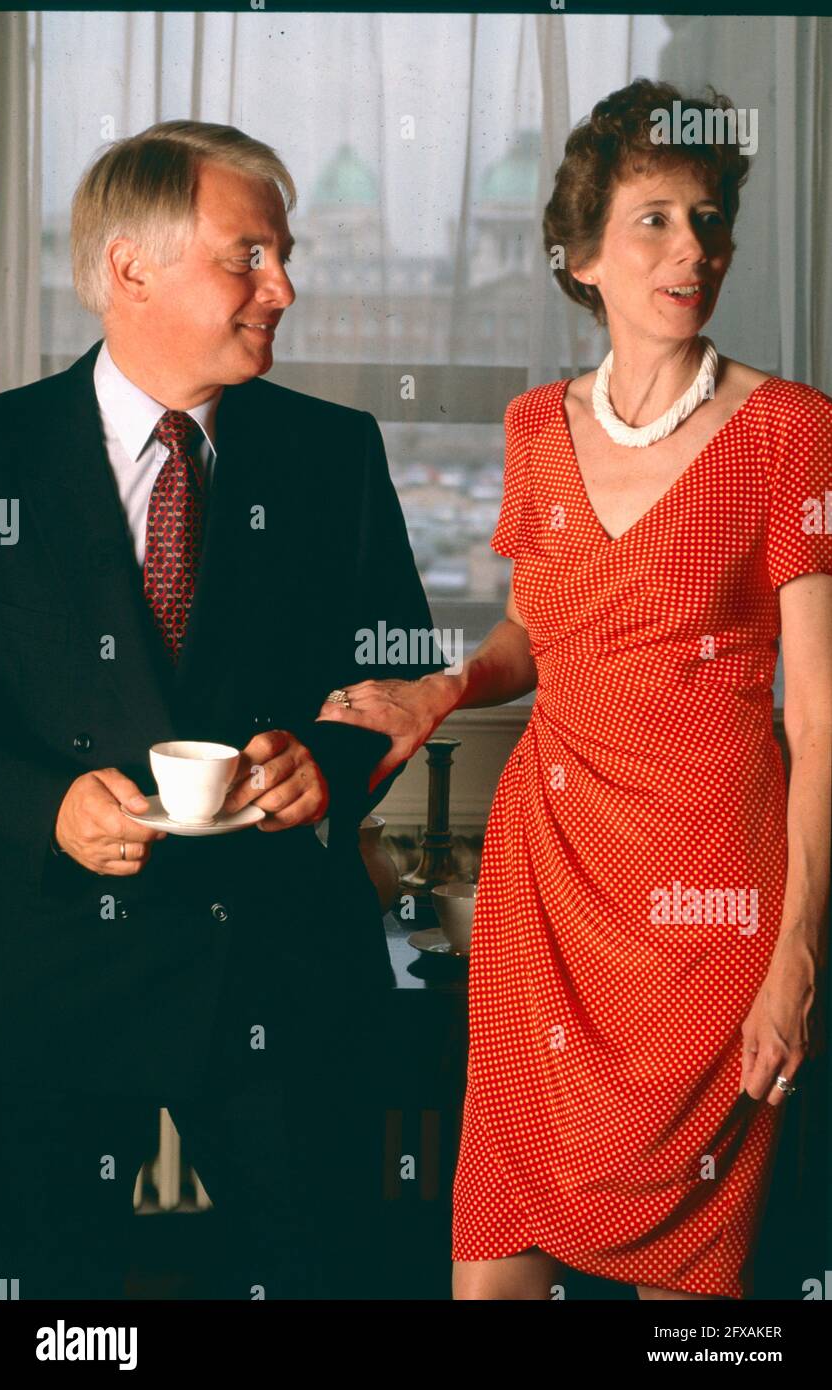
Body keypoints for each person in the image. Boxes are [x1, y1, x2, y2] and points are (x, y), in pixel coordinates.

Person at [320, 78, 832, 1300]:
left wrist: (797, 955)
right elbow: (536, 633)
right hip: (547, 889)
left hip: (715, 901)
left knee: (691, 1284)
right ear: (583, 253)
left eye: (710, 220)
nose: (693, 248)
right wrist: (437, 691)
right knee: (494, 1255)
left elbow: (817, 715)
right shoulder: (534, 427)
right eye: (656, 217)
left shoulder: (794, 433)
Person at [0, 119, 446, 1299]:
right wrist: (48, 807)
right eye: (249, 256)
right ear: (130, 268)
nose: (282, 287)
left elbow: (391, 663)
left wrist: (330, 767)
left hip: (284, 975)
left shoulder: (333, 453)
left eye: (281, 256)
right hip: (49, 982)